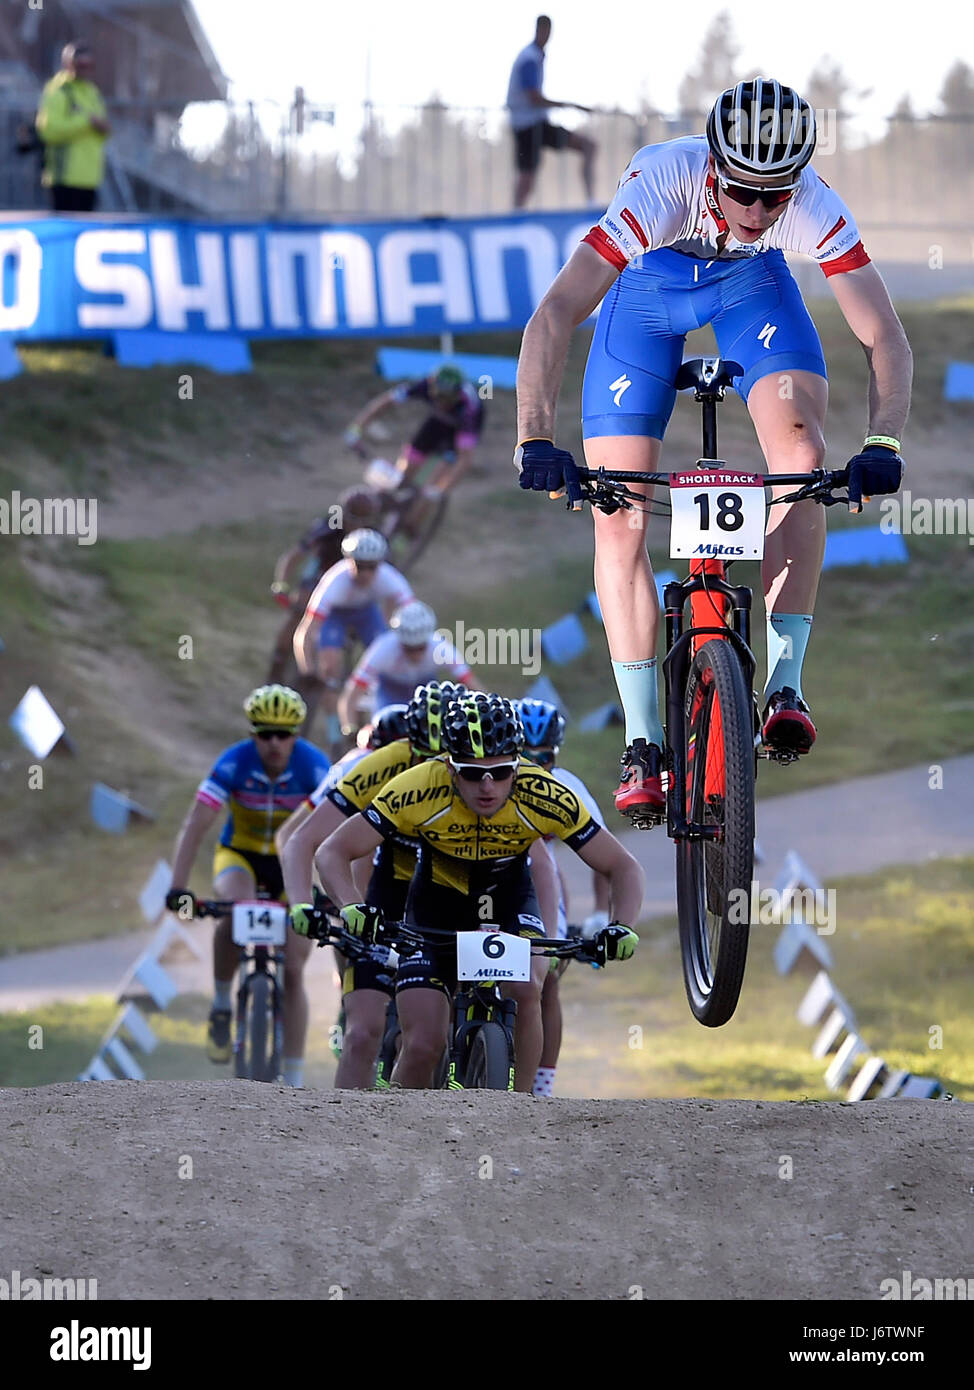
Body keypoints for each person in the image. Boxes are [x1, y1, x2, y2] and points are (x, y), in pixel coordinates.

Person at [514, 78, 910, 819]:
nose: (760, 212)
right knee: (620, 508)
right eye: (745, 194)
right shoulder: (659, 185)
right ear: (712, 170)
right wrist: (534, 437)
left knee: (800, 458)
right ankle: (641, 741)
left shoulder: (812, 206)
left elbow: (884, 334)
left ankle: (785, 684)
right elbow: (557, 312)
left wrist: (883, 440)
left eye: (777, 197)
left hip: (749, 291)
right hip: (646, 291)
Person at [307, 692, 644, 1093]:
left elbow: (622, 866)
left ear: (518, 766)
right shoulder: (417, 787)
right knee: (423, 1045)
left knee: (526, 990)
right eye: (471, 773)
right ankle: (396, 1137)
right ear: (449, 767)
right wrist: (351, 905)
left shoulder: (541, 791)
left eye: (501, 772)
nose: (487, 786)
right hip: (435, 909)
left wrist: (620, 925)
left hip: (509, 900)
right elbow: (334, 851)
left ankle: (522, 1109)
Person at [284, 683, 477, 1089]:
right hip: (388, 892)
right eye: (422, 756)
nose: (432, 770)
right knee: (361, 1034)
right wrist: (304, 903)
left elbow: (535, 863)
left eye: (447, 760)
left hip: (456, 897)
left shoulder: (484, 781)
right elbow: (305, 839)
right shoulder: (380, 764)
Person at [164, 686, 329, 1084]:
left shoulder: (313, 766)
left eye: (284, 734)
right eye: (265, 733)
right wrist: (177, 886)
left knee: (292, 967)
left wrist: (326, 892)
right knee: (233, 912)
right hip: (240, 855)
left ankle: (293, 1078)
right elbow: (195, 825)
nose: (274, 743)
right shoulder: (234, 762)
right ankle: (222, 1005)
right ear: (252, 734)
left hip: (291, 863)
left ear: (297, 735)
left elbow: (335, 831)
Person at [516, 698, 610, 1097]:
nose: (537, 767)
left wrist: (603, 914)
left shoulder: (569, 787)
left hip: (541, 882)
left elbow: (606, 859)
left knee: (546, 981)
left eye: (545, 758)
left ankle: (542, 1087)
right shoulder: (488, 779)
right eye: (526, 756)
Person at [292, 529, 413, 753]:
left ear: (380, 563)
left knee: (384, 656)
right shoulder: (334, 582)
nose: (366, 573)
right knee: (329, 666)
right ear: (349, 561)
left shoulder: (390, 577)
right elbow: (306, 631)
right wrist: (307, 668)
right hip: (335, 617)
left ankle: (373, 710)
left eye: (372, 566)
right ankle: (334, 729)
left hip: (367, 614)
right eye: (360, 565)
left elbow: (412, 617)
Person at [267, 487, 381, 686]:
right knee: (299, 611)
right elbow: (293, 556)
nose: (359, 526)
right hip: (321, 573)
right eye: (354, 520)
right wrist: (281, 585)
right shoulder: (328, 526)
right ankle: (278, 663)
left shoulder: (374, 536)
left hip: (351, 582)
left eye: (364, 521)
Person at [344, 365, 484, 519]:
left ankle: (411, 531)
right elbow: (386, 402)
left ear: (456, 394)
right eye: (438, 398)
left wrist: (441, 490)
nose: (441, 403)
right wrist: (356, 429)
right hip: (435, 424)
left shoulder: (470, 408)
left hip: (456, 435)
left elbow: (465, 459)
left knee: (432, 487)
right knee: (400, 477)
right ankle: (386, 514)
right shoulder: (424, 384)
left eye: (446, 400)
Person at [336, 600, 476, 737]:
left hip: (426, 692)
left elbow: (472, 685)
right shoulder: (382, 648)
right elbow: (351, 696)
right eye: (409, 649)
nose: (415, 655)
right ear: (399, 641)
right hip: (389, 694)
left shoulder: (441, 648)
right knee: (384, 733)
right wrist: (350, 728)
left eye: (421, 647)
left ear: (428, 639)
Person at [507, 15, 596, 208]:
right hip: (527, 125)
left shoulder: (535, 56)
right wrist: (569, 105)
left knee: (588, 146)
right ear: (539, 30)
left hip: (536, 123)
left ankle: (590, 201)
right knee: (527, 174)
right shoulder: (529, 58)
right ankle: (515, 213)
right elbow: (534, 98)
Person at [36, 41, 109, 212]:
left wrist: (103, 127)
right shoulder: (58, 91)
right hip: (64, 179)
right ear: (68, 64)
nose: (85, 70)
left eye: (90, 65)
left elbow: (103, 128)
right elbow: (48, 131)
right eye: (81, 65)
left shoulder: (92, 92)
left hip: (90, 178)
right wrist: (86, 122)